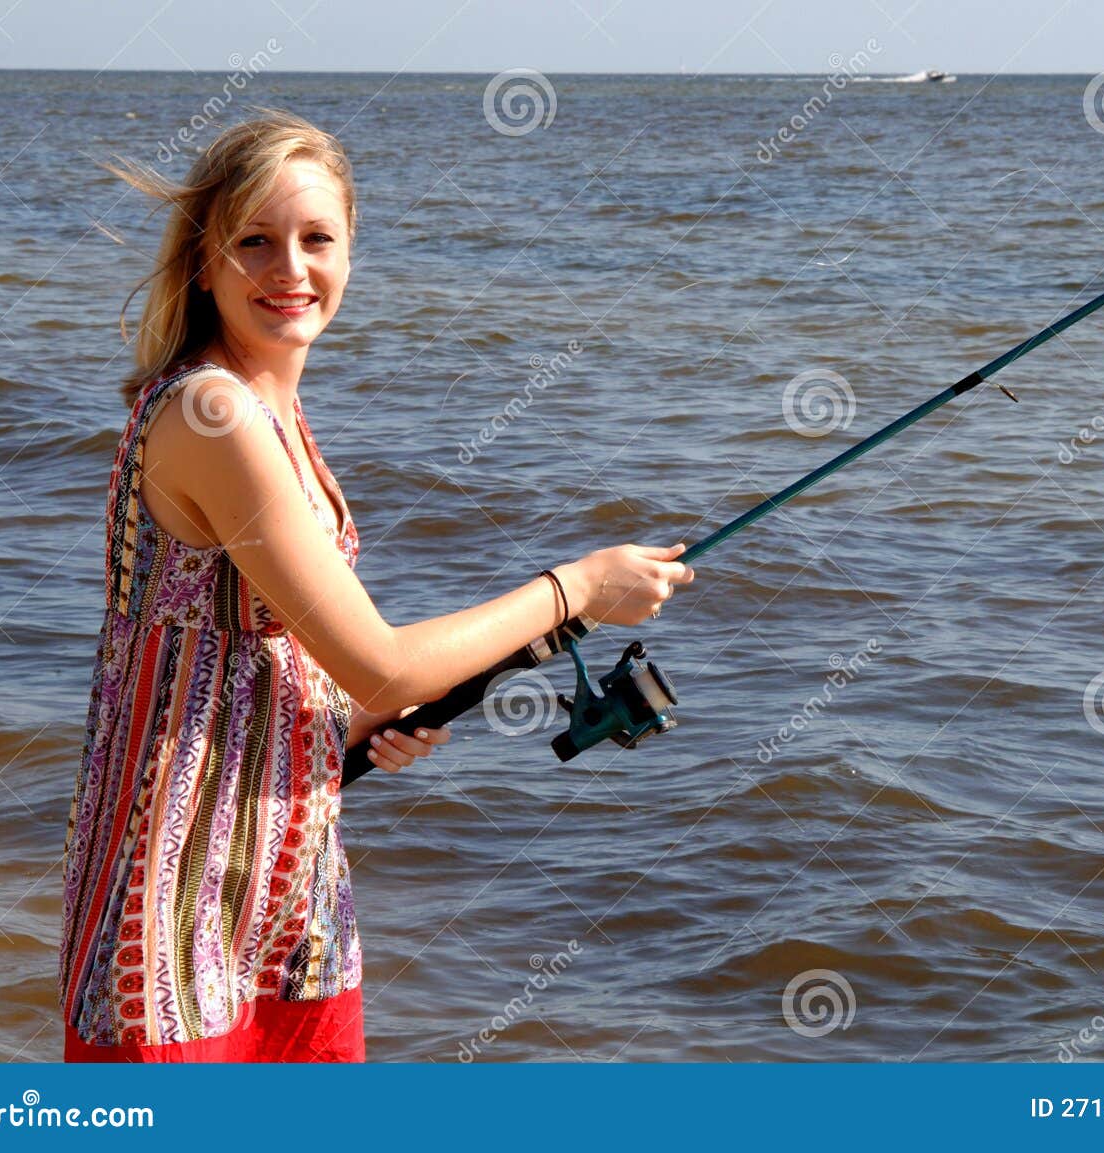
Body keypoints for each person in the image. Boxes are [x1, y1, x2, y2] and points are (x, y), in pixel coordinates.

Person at [58, 110, 694, 1063]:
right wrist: (576, 587)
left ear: (351, 251)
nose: (291, 270)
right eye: (255, 241)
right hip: (175, 908)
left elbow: (270, 656)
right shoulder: (214, 410)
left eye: (318, 239)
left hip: (293, 895)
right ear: (202, 261)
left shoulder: (276, 406)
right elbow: (382, 660)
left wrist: (345, 725)